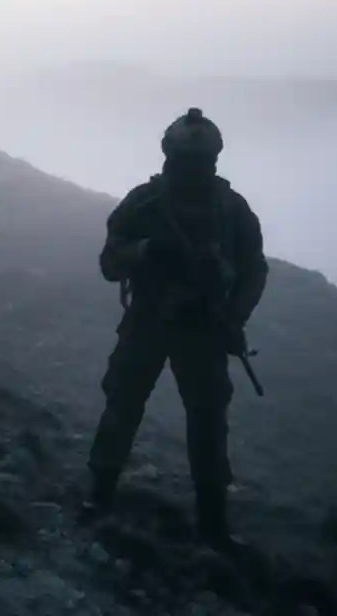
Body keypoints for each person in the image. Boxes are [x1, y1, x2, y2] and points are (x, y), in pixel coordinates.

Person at [87, 107, 268, 549]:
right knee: (123, 407)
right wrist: (146, 252)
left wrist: (234, 318)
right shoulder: (145, 203)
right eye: (185, 162)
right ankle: (98, 498)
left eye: (198, 163)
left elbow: (253, 271)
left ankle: (212, 524)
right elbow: (109, 263)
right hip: (149, 319)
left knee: (207, 424)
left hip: (204, 329)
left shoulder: (231, 209)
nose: (191, 171)